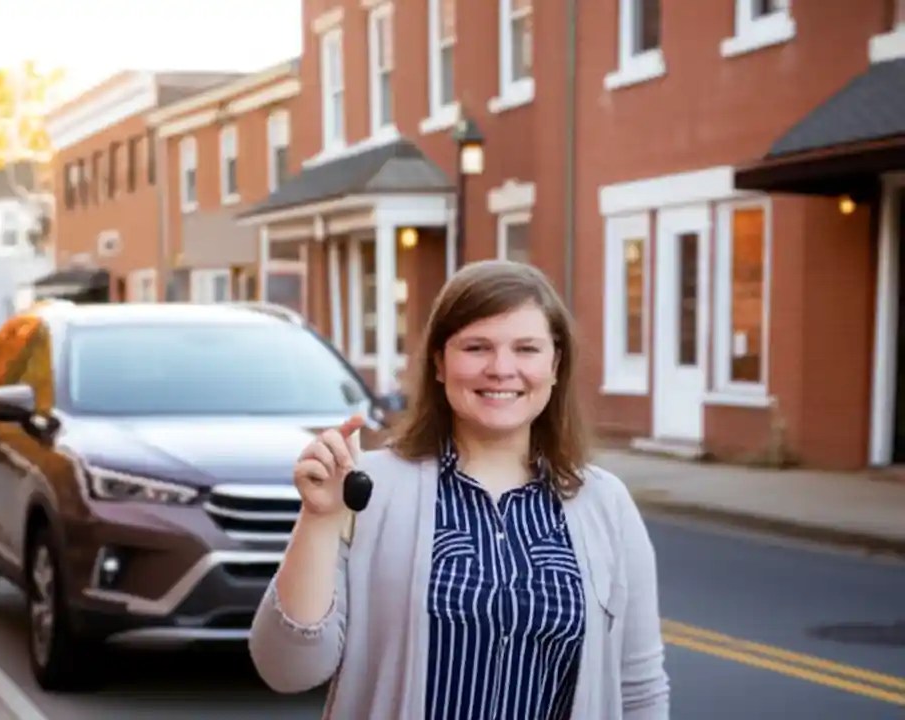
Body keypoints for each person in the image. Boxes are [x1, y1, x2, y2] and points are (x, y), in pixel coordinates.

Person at [249, 260, 670, 719]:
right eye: (476, 347)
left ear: (555, 364)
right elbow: (287, 669)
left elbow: (639, 692)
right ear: (439, 363)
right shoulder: (368, 489)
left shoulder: (605, 505)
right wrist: (320, 519)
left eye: (526, 349)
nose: (501, 369)